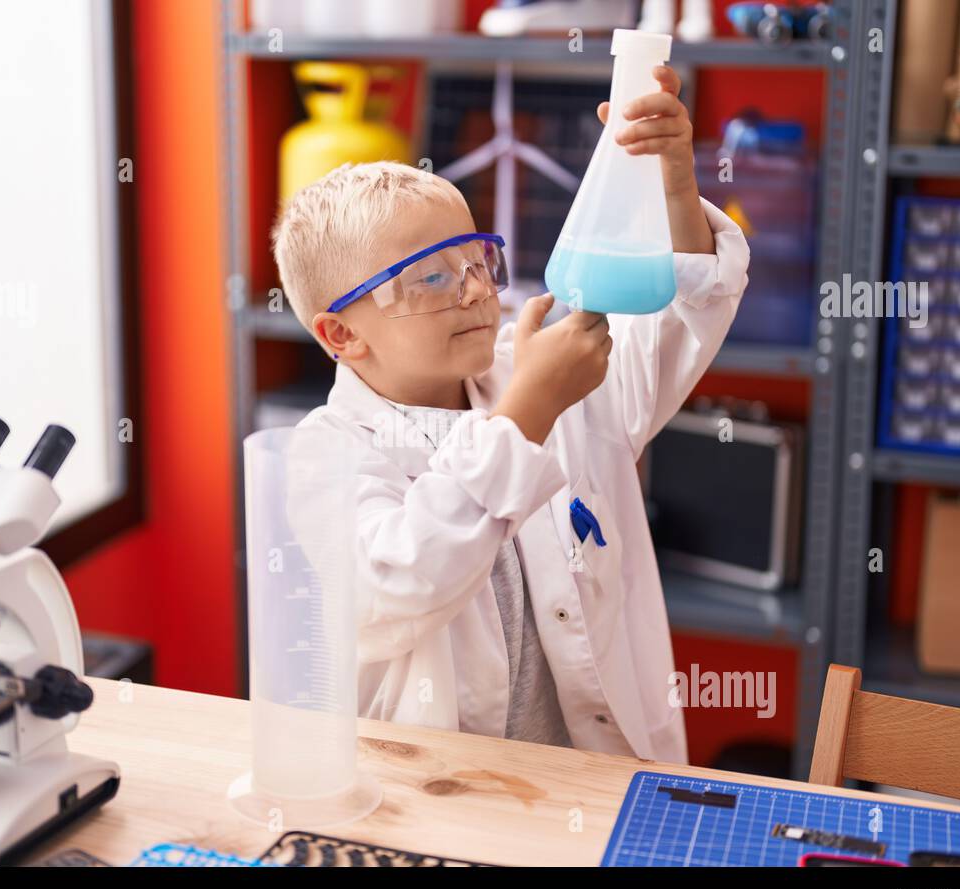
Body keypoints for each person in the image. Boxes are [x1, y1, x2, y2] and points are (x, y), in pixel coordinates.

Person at [270, 66, 749, 762]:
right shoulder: (327, 456)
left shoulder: (540, 374)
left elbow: (681, 314)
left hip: (599, 782)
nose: (472, 291)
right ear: (341, 334)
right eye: (431, 275)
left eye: (477, 260)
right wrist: (528, 412)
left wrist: (673, 185)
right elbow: (398, 582)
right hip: (444, 804)